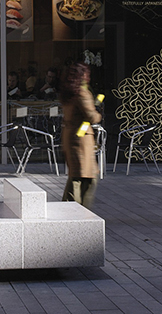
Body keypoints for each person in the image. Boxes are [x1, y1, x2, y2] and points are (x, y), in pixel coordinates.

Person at [59, 61, 101, 211]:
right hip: (81, 139)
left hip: (71, 136)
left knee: (77, 175)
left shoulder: (69, 92)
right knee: (85, 178)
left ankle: (72, 209)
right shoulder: (82, 92)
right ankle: (76, 211)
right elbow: (91, 116)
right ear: (82, 75)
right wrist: (98, 115)